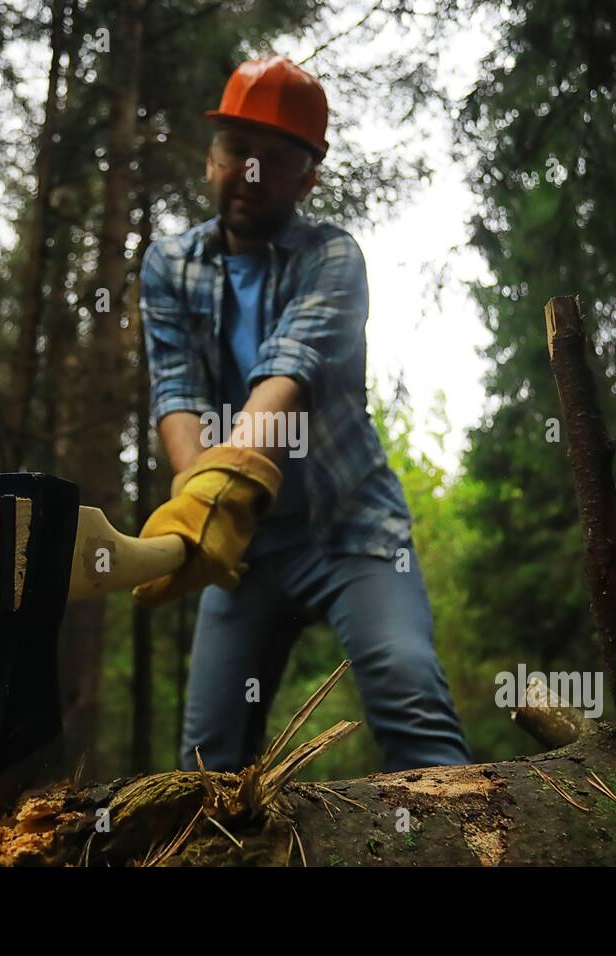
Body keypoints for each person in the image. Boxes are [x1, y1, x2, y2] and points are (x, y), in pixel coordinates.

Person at [134, 55, 471, 774]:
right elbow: (176, 391)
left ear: (307, 178)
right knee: (204, 764)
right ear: (210, 156)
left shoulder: (334, 258)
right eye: (235, 151)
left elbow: (289, 372)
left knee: (410, 692)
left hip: (351, 529)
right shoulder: (169, 264)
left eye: (275, 159)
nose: (249, 173)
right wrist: (203, 514)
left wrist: (217, 491)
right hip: (246, 550)